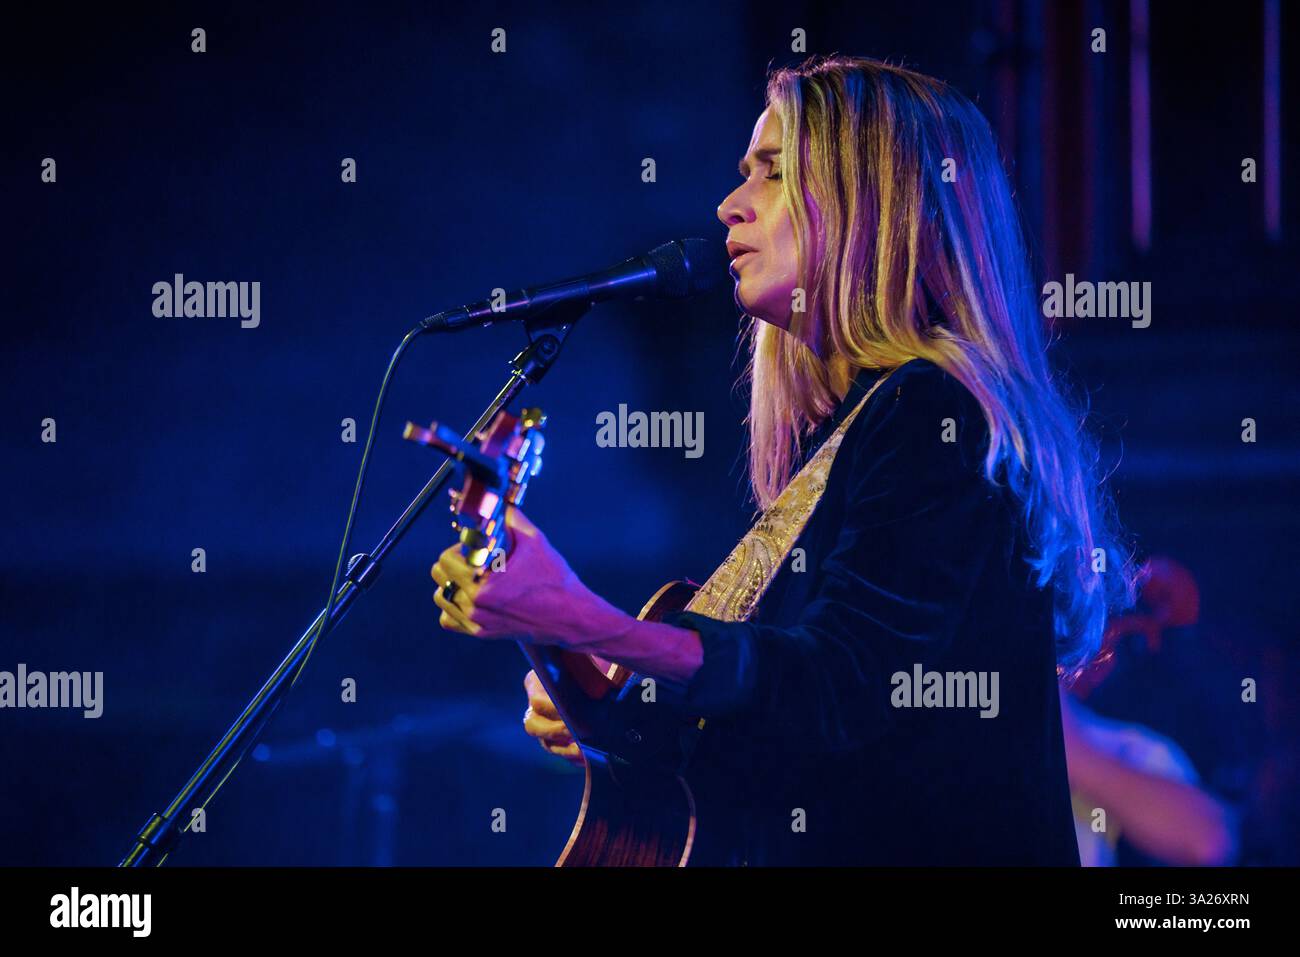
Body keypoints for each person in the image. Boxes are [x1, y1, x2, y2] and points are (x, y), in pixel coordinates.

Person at [430, 54, 1135, 865]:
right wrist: (597, 690)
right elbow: (781, 728)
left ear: (875, 199)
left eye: (771, 172)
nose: (729, 206)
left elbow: (838, 683)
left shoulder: (934, 412)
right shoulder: (847, 432)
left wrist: (585, 620)